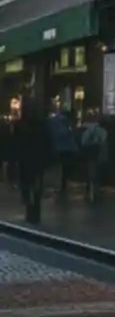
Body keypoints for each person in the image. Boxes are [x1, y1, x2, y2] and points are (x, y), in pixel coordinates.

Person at [15, 96, 51, 224]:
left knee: (27, 184)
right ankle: (34, 209)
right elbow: (47, 142)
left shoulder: (20, 125)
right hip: (36, 159)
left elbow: (16, 143)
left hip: (27, 159)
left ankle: (31, 208)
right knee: (35, 184)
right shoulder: (42, 125)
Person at [47, 105, 77, 196]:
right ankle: (63, 184)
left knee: (60, 166)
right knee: (65, 166)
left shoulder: (52, 120)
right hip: (66, 147)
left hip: (56, 146)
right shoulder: (64, 122)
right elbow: (66, 134)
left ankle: (60, 184)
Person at [80, 113, 109, 204]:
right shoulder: (103, 131)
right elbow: (104, 141)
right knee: (98, 170)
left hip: (90, 153)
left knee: (90, 169)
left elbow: (83, 141)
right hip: (98, 152)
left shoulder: (88, 131)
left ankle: (89, 185)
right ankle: (96, 187)